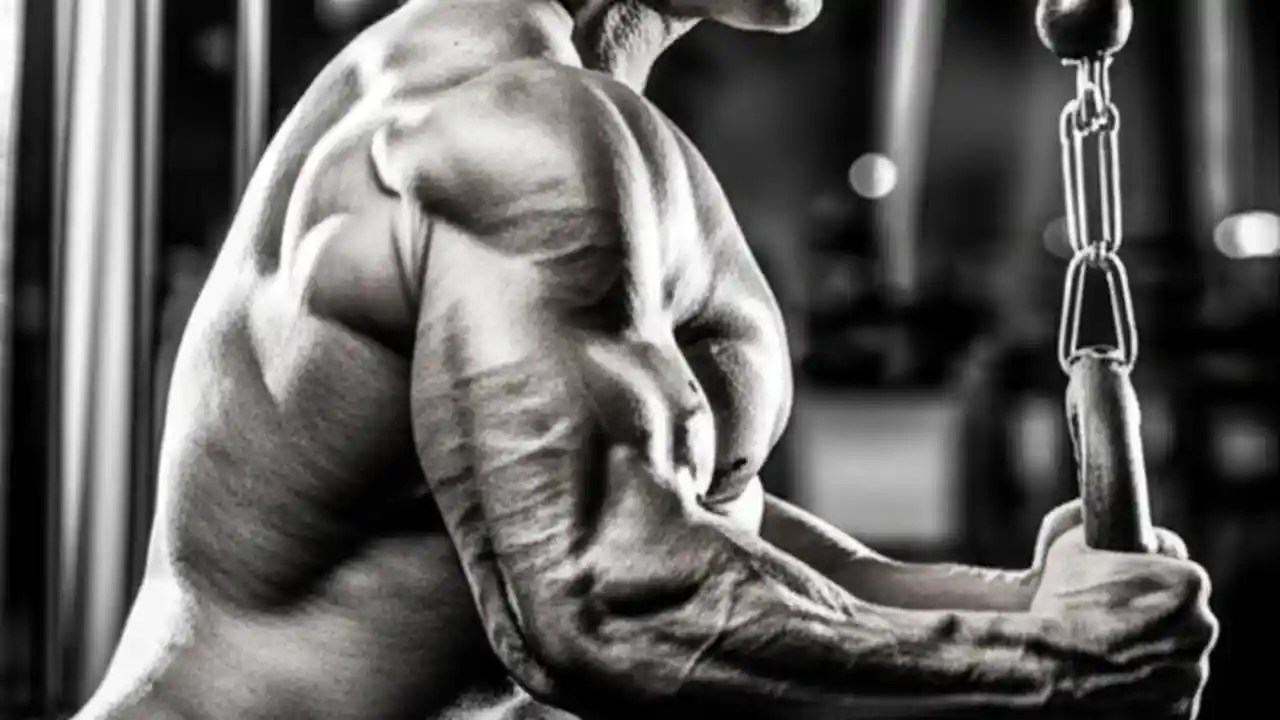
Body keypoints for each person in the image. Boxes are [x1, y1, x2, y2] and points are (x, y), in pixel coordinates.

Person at [75, 1, 1217, 718]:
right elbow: (601, 609)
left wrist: (1019, 608)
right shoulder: (516, 120)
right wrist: (1036, 669)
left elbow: (705, 526)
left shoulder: (597, 116)